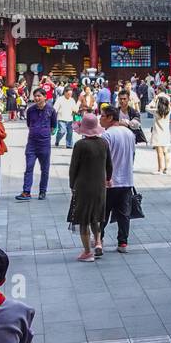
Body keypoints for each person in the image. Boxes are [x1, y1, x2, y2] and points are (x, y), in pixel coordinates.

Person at [68, 113, 112, 261]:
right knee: (96, 216)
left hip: (83, 186)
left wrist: (72, 184)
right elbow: (109, 165)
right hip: (100, 186)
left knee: (83, 219)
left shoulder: (80, 145)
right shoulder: (103, 143)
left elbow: (74, 167)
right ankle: (98, 242)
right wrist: (108, 179)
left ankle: (87, 252)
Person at [99, 104, 136, 253]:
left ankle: (98, 240)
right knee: (123, 214)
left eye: (102, 116)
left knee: (103, 213)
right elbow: (132, 155)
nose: (100, 119)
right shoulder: (129, 134)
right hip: (127, 179)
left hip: (109, 181)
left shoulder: (106, 135)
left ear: (110, 118)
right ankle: (123, 243)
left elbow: (103, 159)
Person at [17, 88, 56, 201]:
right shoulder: (30, 110)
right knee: (29, 167)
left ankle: (42, 191)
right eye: (35, 96)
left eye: (39, 96)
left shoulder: (51, 110)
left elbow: (53, 125)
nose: (37, 98)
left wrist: (44, 133)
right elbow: (29, 123)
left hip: (44, 143)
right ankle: (26, 192)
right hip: (32, 143)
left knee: (45, 169)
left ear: (45, 97)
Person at [147, 91, 171, 173]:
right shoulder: (169, 111)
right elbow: (169, 105)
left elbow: (147, 107)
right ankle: (166, 168)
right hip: (166, 133)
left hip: (158, 134)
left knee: (159, 153)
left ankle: (160, 169)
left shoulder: (156, 112)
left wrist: (154, 100)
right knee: (166, 151)